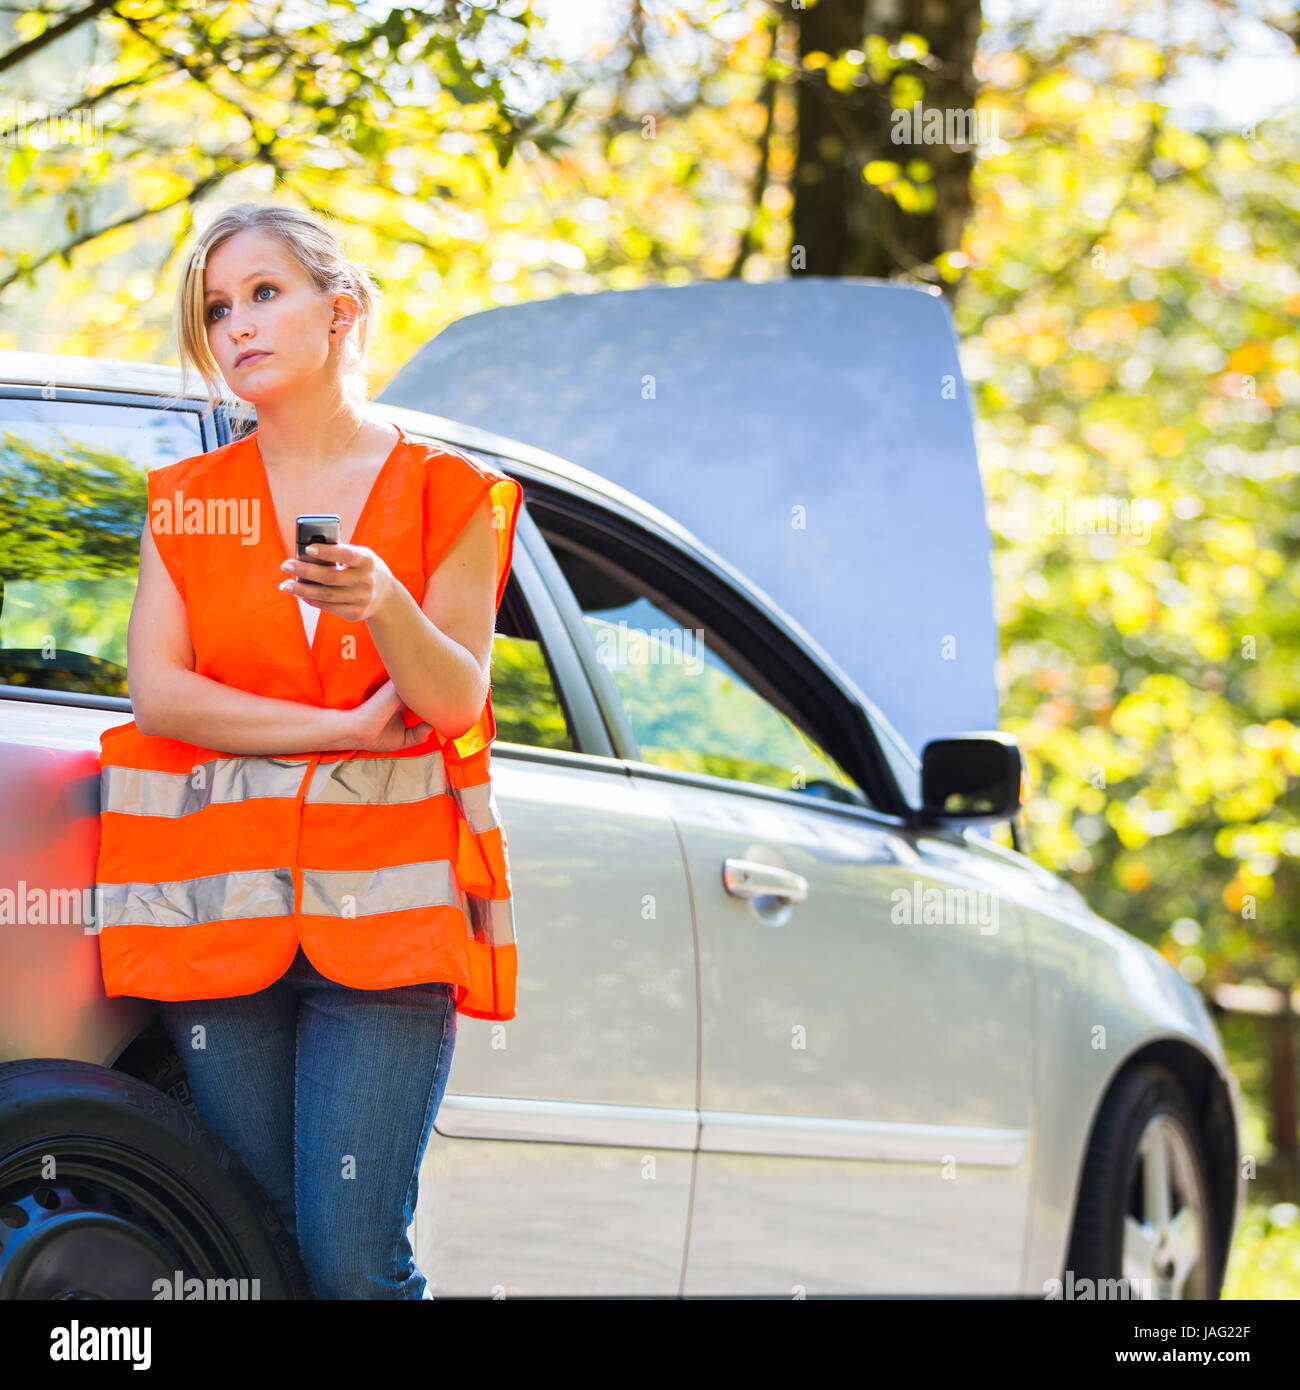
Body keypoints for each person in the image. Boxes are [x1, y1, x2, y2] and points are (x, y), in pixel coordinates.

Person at [93, 201, 522, 1299]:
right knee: (259, 1242)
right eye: (217, 309)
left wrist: (384, 602)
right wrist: (333, 731)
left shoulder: (448, 494)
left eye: (264, 293)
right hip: (211, 911)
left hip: (384, 933)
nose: (236, 324)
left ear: (343, 310)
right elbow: (163, 692)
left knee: (351, 1254)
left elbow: (453, 695)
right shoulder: (185, 503)